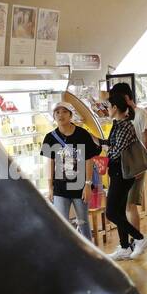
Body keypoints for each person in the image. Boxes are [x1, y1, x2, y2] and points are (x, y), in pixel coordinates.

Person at [100, 87, 147, 261]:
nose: (107, 109)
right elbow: (111, 145)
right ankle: (124, 247)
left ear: (115, 107)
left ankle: (140, 238)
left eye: (108, 106)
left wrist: (105, 149)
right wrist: (98, 141)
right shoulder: (118, 125)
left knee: (111, 213)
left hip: (122, 173)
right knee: (120, 211)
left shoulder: (125, 126)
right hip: (117, 172)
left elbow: (115, 151)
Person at [41, 102, 101, 242]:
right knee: (62, 224)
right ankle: (66, 255)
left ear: (70, 115)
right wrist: (50, 187)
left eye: (64, 112)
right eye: (57, 112)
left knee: (83, 222)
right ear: (54, 116)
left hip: (80, 186)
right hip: (60, 188)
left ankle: (89, 254)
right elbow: (50, 163)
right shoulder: (50, 137)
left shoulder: (82, 134)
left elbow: (89, 159)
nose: (60, 115)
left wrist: (88, 184)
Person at [111, 82, 147, 236]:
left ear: (126, 97)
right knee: (123, 205)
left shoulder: (141, 114)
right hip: (122, 167)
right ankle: (128, 242)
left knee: (130, 204)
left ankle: (137, 239)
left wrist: (140, 166)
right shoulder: (120, 117)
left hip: (135, 165)